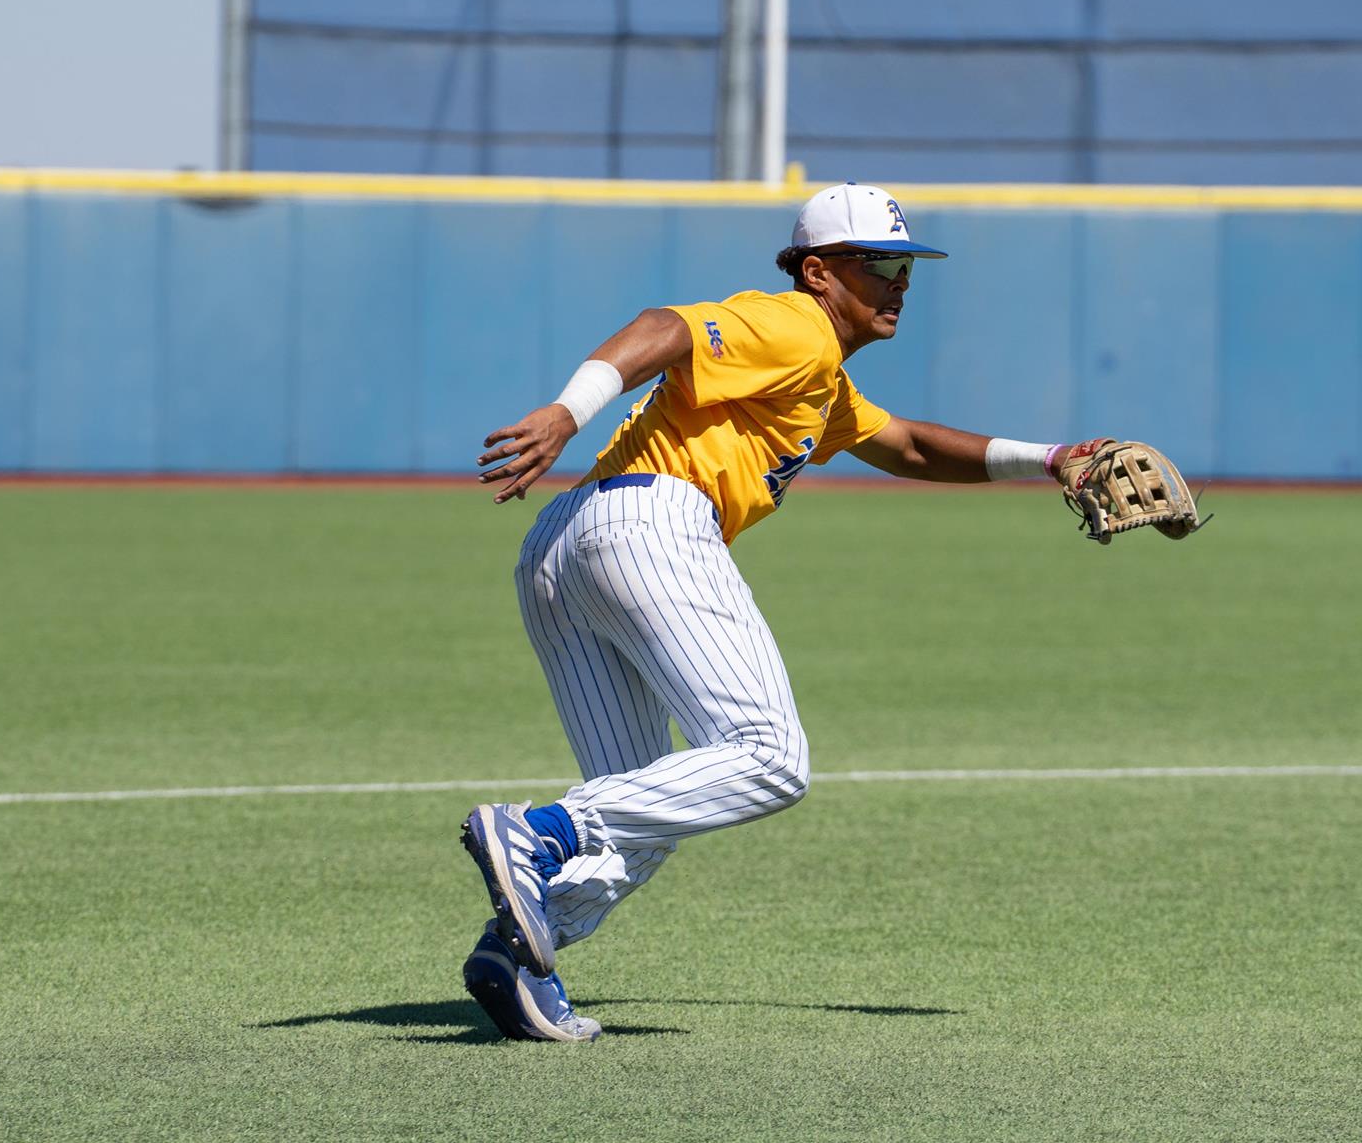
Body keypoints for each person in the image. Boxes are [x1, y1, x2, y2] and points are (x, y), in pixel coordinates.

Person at [455, 183, 1112, 1042]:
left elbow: (908, 445)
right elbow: (668, 327)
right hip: (648, 522)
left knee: (646, 812)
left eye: (906, 265)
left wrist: (1053, 457)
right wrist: (567, 413)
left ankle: (512, 955)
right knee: (770, 757)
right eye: (879, 263)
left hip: (562, 552)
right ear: (819, 272)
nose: (898, 281)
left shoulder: (821, 383)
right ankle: (536, 829)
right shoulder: (797, 327)